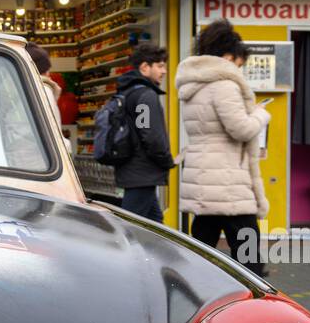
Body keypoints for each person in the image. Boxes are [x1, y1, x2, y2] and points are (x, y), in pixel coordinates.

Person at [176, 19, 270, 275]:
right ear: (228, 57)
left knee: (201, 249)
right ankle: (254, 305)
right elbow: (241, 128)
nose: (240, 70)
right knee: (249, 257)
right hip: (228, 180)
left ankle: (194, 295)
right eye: (239, 64)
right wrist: (261, 115)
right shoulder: (224, 85)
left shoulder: (192, 85)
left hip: (204, 176)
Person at [114, 44, 175, 221]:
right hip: (142, 172)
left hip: (135, 170)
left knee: (155, 226)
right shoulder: (145, 96)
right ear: (145, 67)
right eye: (160, 66)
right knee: (131, 227)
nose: (164, 71)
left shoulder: (128, 92)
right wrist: (166, 159)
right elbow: (149, 134)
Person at [25, 43, 72, 153]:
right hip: (40, 159)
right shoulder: (43, 91)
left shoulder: (18, 88)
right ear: (44, 70)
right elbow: (52, 131)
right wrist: (66, 146)